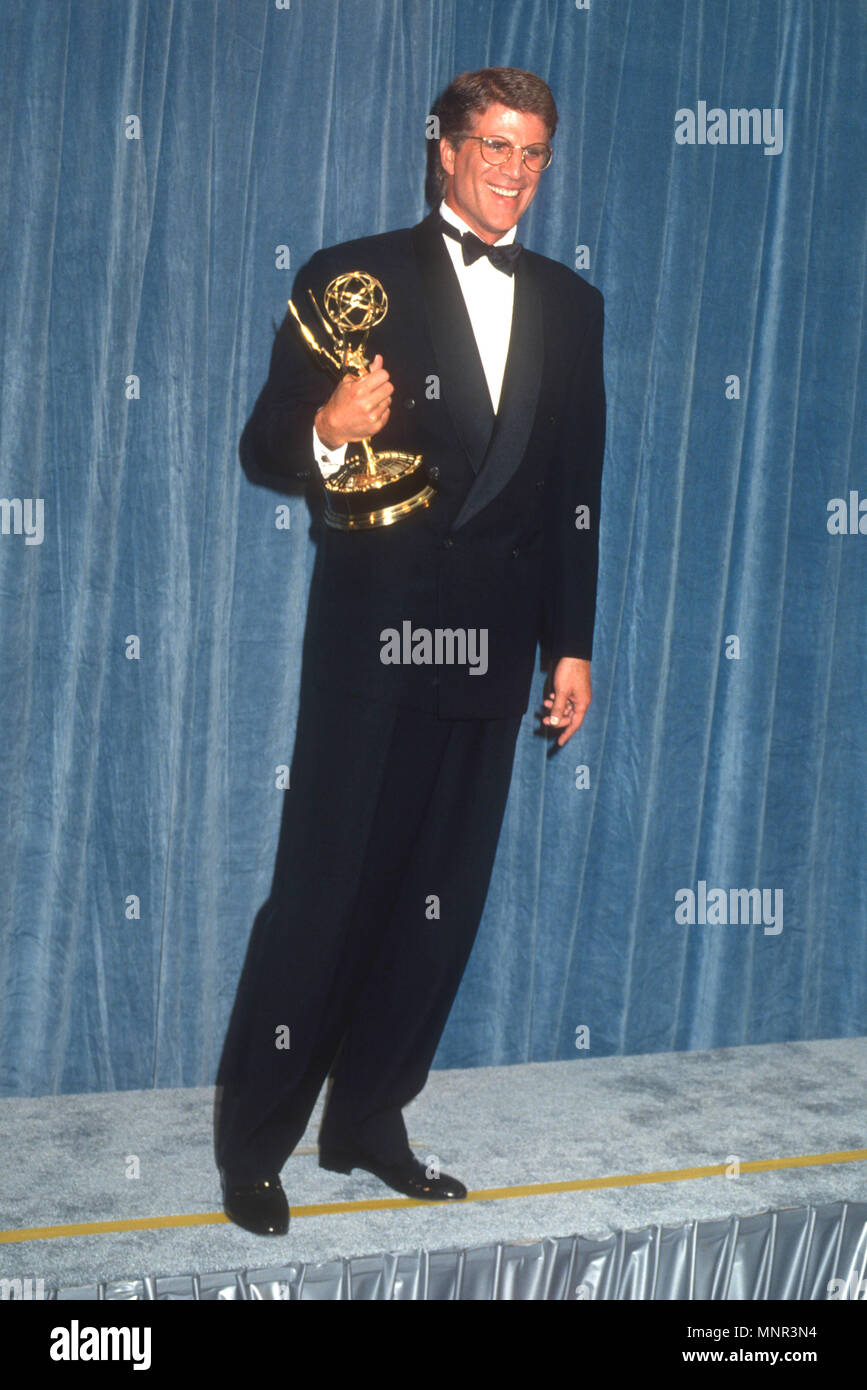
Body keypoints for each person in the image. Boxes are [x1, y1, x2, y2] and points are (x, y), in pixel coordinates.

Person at [214, 67, 606, 1236]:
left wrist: (571, 648)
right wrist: (329, 430)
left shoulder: (574, 304)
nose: (514, 172)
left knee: (441, 895)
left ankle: (371, 1119)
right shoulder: (355, 274)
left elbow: (578, 490)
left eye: (533, 152)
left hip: (493, 640)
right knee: (325, 889)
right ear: (442, 148)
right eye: (494, 145)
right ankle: (255, 1145)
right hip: (376, 634)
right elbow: (265, 441)